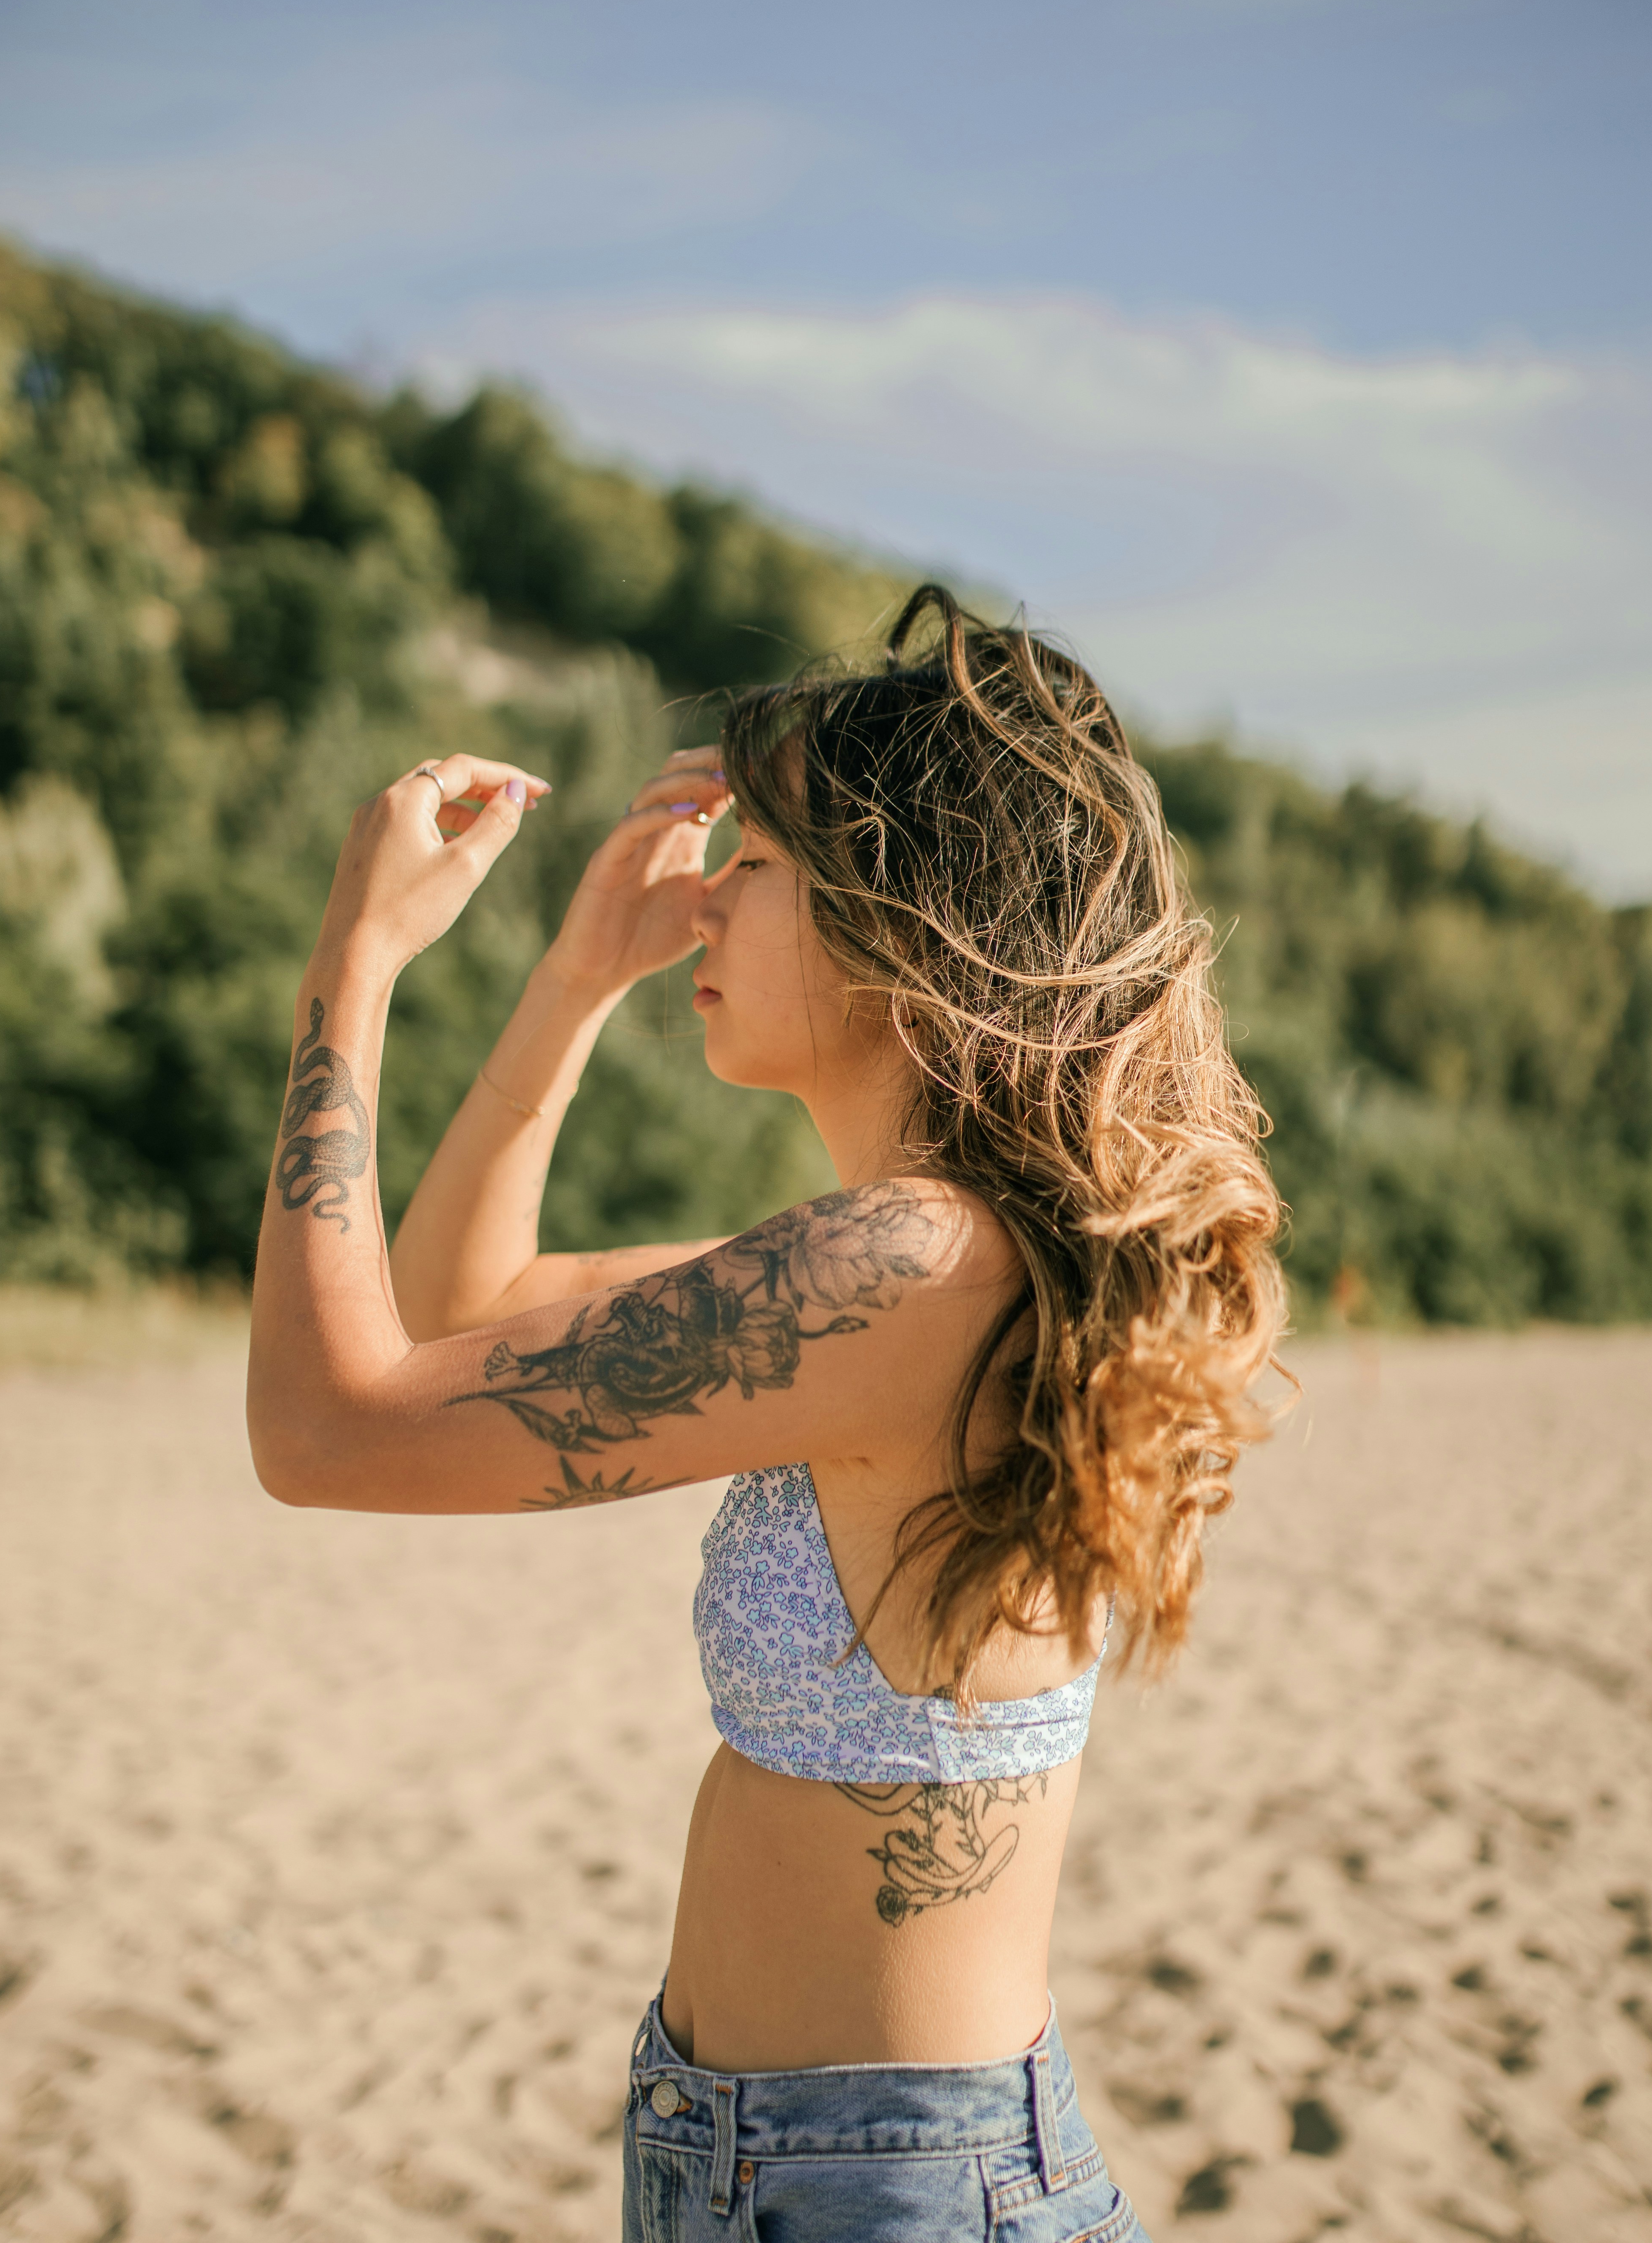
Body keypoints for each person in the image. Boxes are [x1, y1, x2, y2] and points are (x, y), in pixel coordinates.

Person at [248, 584, 1286, 2242]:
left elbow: (324, 1428)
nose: (707, 902)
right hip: (821, 2161)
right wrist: (579, 978)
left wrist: (352, 963)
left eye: (757, 868)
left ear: (895, 920)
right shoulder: (914, 1261)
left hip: (878, 2185)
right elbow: (475, 1302)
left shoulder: (911, 1266)